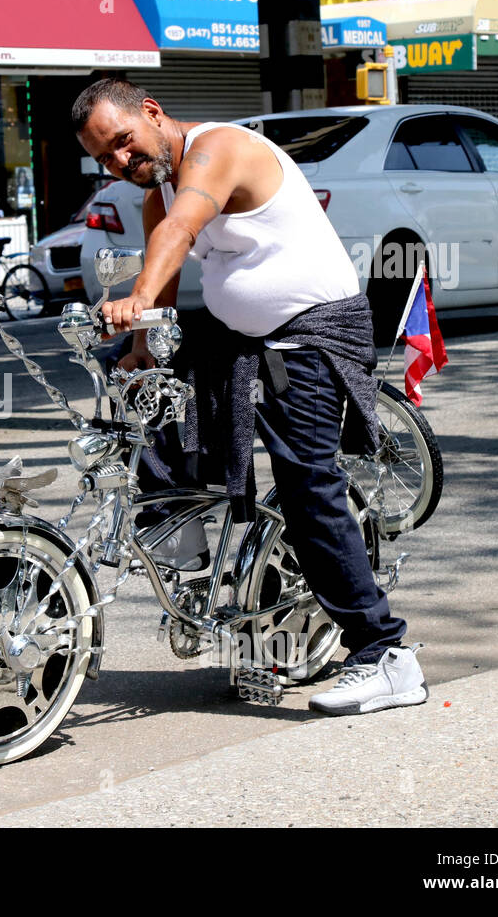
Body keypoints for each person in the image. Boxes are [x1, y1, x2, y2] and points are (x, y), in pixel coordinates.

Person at [73, 78, 427, 716]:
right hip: (246, 336)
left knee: (306, 483)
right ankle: (181, 530)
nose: (120, 163)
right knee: (140, 385)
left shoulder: (221, 148)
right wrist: (139, 344)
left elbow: (184, 227)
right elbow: (165, 257)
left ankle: (385, 654)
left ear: (153, 113)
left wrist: (134, 300)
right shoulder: (158, 194)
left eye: (123, 142)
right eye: (105, 159)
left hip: (315, 331)